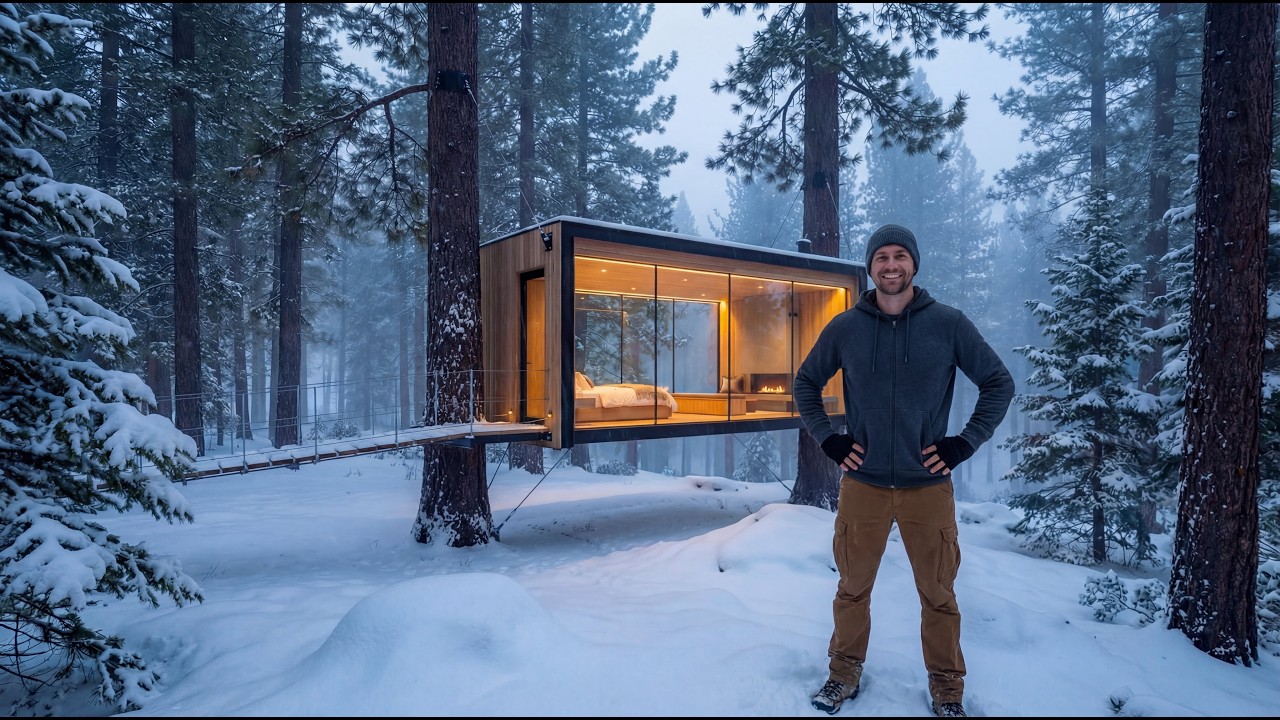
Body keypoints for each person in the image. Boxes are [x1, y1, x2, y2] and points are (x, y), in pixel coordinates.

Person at [793, 224, 1014, 718]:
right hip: (863, 486)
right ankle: (843, 674)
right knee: (852, 588)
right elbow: (805, 383)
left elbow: (998, 383)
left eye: (899, 257)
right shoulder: (846, 327)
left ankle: (947, 688)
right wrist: (830, 438)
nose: (890, 266)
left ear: (913, 263)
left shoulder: (949, 324)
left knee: (938, 592)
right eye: (881, 258)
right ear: (869, 268)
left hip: (927, 488)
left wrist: (962, 443)